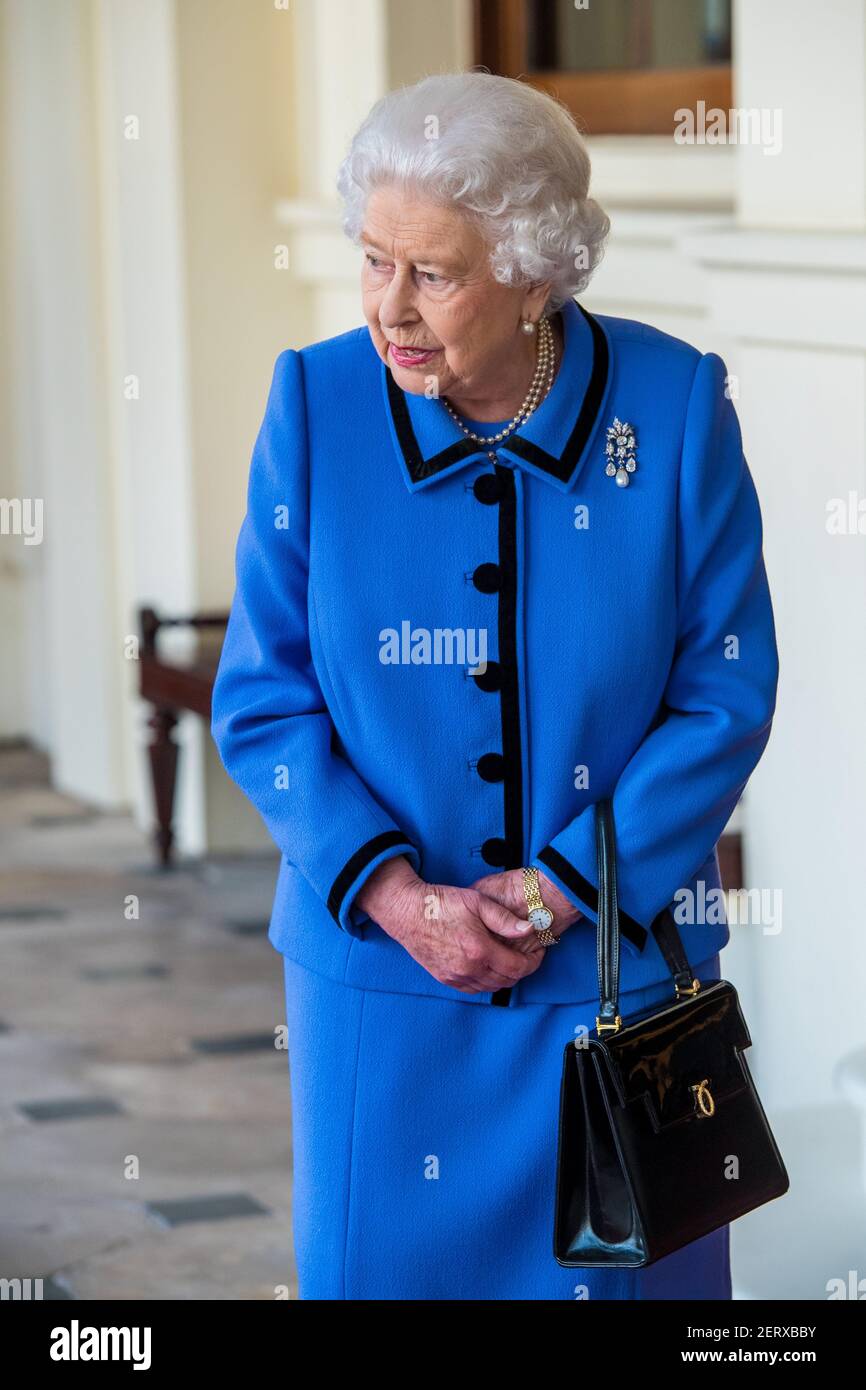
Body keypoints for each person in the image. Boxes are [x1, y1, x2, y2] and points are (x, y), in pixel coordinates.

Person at [211, 71, 778, 1300]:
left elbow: (721, 694)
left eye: (434, 273)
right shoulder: (314, 405)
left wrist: (563, 888)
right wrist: (403, 896)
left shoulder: (672, 407)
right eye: (372, 262)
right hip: (383, 982)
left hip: (615, 981)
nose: (389, 310)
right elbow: (263, 695)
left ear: (535, 274)